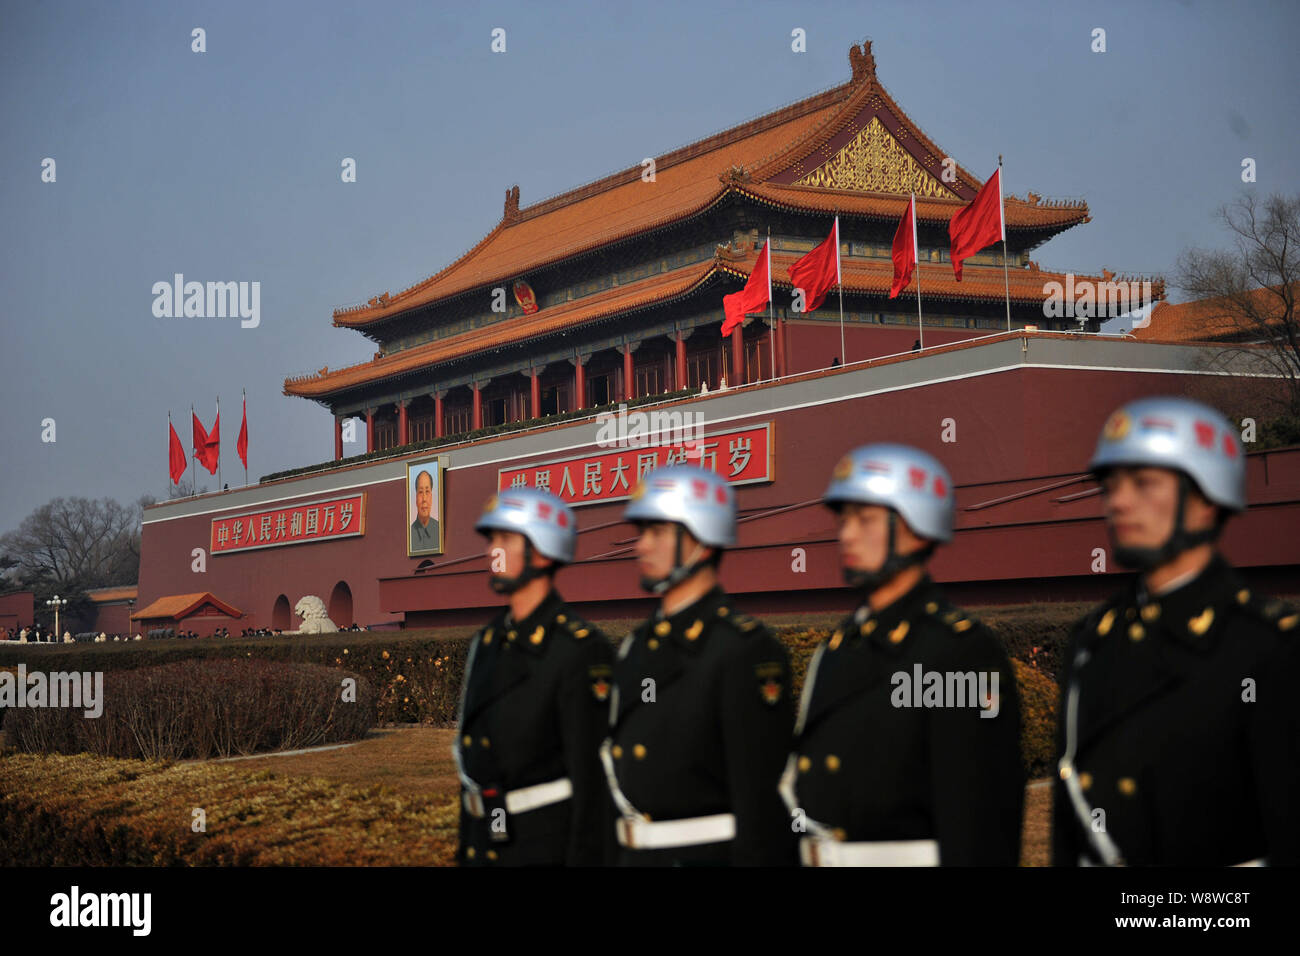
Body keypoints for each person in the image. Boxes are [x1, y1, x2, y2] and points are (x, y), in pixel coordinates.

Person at [1053, 396, 1299, 866]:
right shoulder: (1092, 640)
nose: (1118, 502)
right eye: (1111, 485)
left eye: (1144, 484)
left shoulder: (1271, 649)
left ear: (1207, 499)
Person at [781, 443, 1023, 866]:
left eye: (865, 519)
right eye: (845, 519)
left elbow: (980, 823)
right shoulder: (838, 647)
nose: (847, 533)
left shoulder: (960, 653)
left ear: (918, 526)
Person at [603, 464, 796, 865]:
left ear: (704, 541)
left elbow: (760, 802)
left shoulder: (745, 650)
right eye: (643, 533)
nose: (642, 546)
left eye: (658, 532)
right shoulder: (637, 646)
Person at [455, 486, 613, 866]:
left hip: (546, 844)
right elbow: (474, 765)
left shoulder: (579, 649)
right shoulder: (488, 640)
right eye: (492, 539)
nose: (493, 550)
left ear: (542, 550)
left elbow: (594, 782)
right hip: (487, 839)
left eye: (506, 539)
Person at [409, 469, 440, 553]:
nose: (424, 499)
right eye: (420, 492)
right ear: (415, 497)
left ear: (432, 496)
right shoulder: (409, 534)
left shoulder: (440, 530)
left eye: (427, 491)